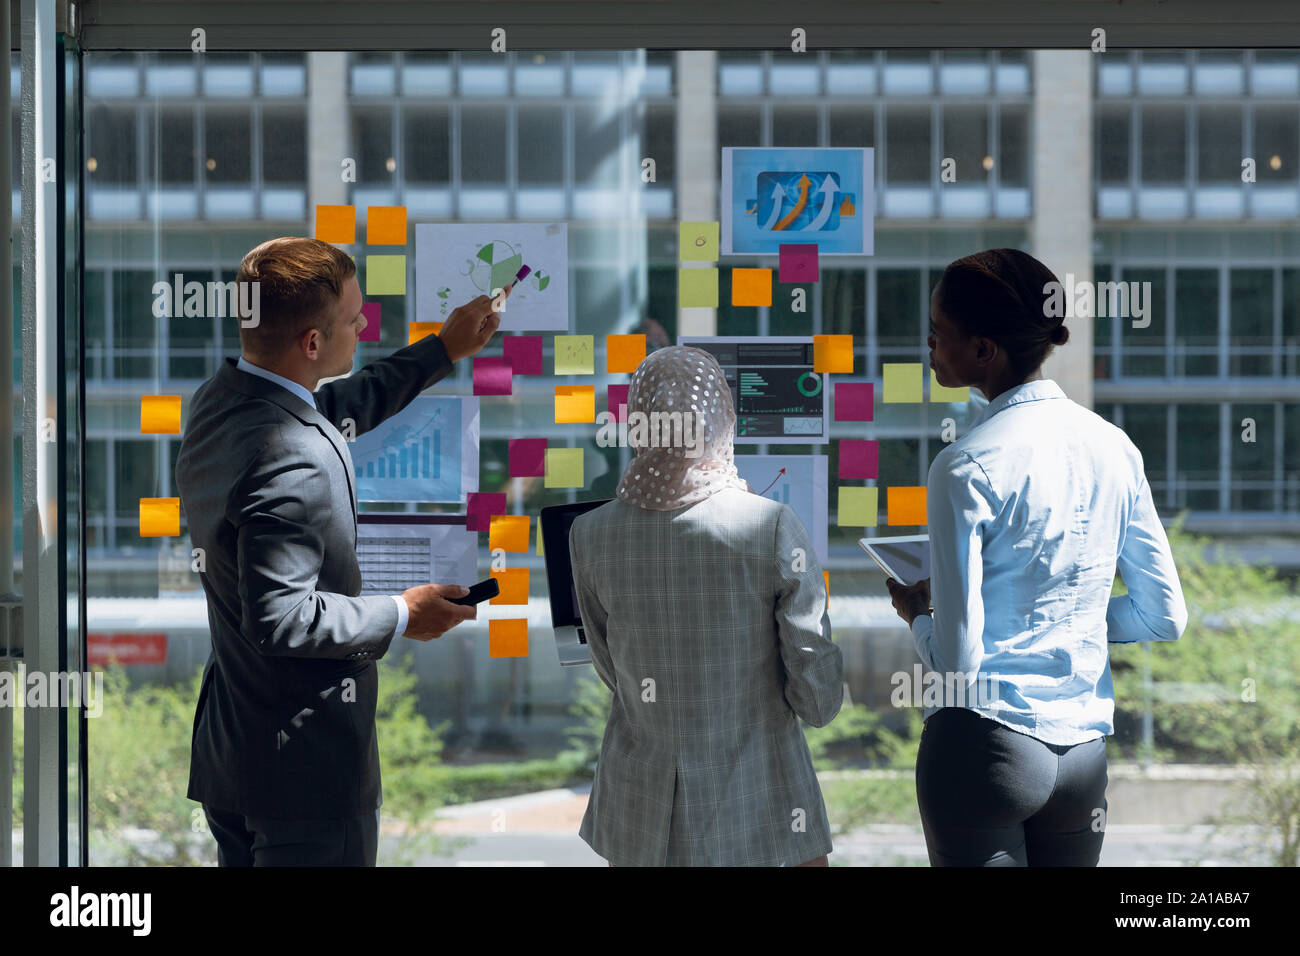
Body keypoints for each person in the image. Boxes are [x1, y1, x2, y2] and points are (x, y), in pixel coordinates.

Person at [175, 237, 502, 866]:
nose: (365, 325)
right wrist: (405, 613)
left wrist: (442, 350)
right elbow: (283, 617)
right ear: (312, 344)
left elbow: (329, 410)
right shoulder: (292, 458)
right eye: (355, 318)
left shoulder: (222, 403)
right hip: (306, 776)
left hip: (237, 756)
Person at [885, 248, 1188, 867]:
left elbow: (961, 665)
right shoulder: (1115, 448)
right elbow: (1165, 618)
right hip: (1081, 760)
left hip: (984, 747)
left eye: (939, 333)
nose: (929, 344)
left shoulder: (963, 465)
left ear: (983, 351)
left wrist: (917, 616)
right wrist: (1062, 621)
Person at [569, 345, 843, 866]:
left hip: (639, 818)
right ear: (720, 419)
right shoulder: (770, 526)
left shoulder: (589, 534)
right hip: (761, 811)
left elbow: (613, 670)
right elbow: (818, 698)